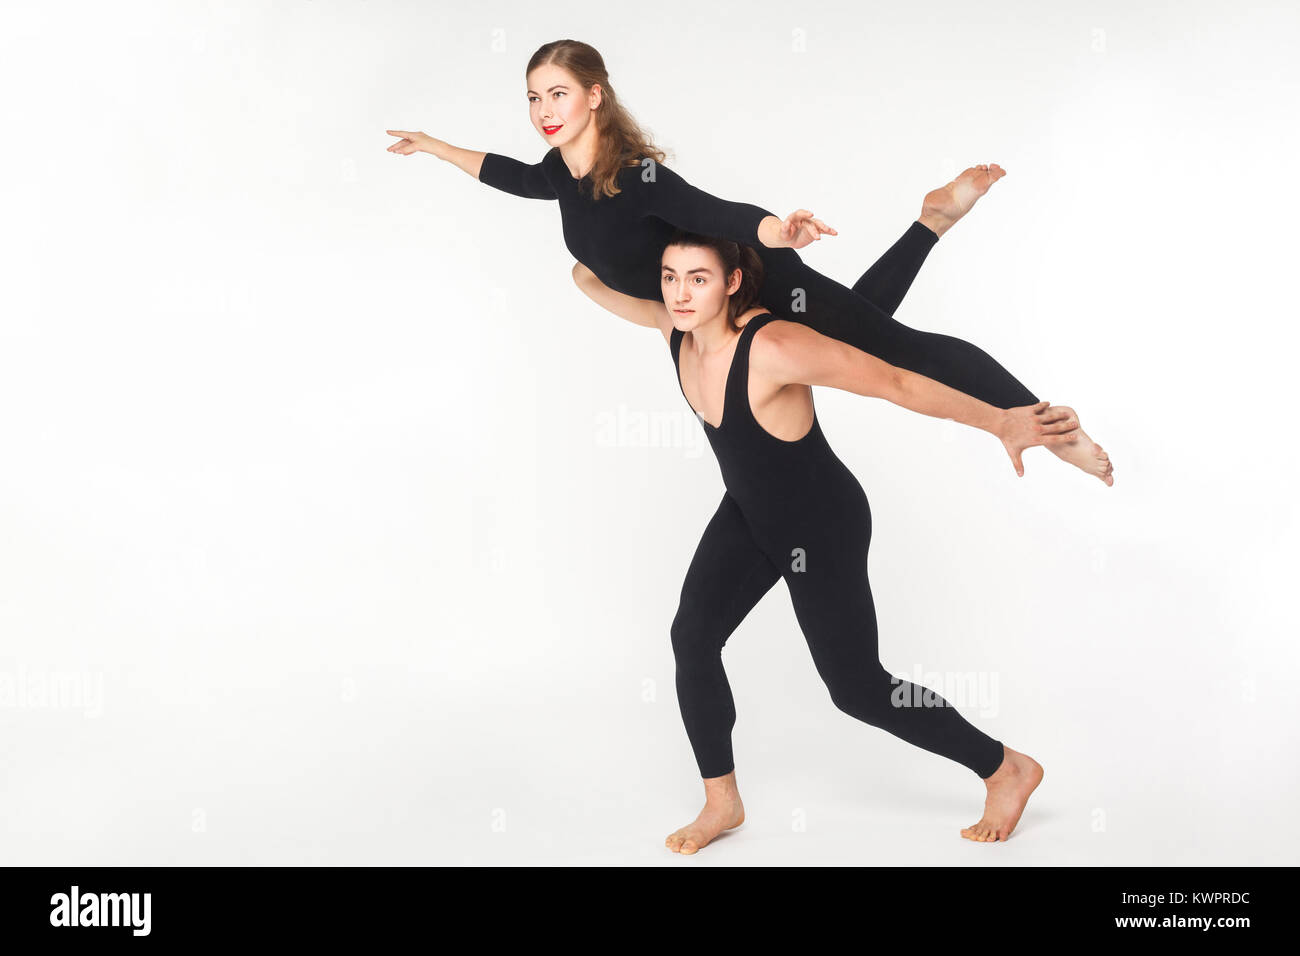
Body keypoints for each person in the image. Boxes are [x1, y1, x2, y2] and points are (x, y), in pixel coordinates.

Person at [387, 37, 1114, 484]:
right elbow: (505, 173)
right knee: (861, 330)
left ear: (594, 96)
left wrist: (776, 229)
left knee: (893, 347)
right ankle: (930, 222)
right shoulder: (554, 172)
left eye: (559, 94)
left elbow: (715, 214)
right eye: (534, 97)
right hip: (715, 315)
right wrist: (432, 145)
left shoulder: (637, 175)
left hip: (759, 280)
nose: (545, 108)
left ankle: (1046, 425)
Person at [573, 231, 1057, 853]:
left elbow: (895, 379)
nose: (680, 293)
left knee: (856, 689)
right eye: (669, 277)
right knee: (692, 638)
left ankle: (1004, 767)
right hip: (750, 513)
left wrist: (1001, 421)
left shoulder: (774, 346)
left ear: (733, 282)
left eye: (699, 278)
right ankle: (722, 801)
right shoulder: (674, 331)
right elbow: (588, 277)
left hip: (821, 521)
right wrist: (589, 211)